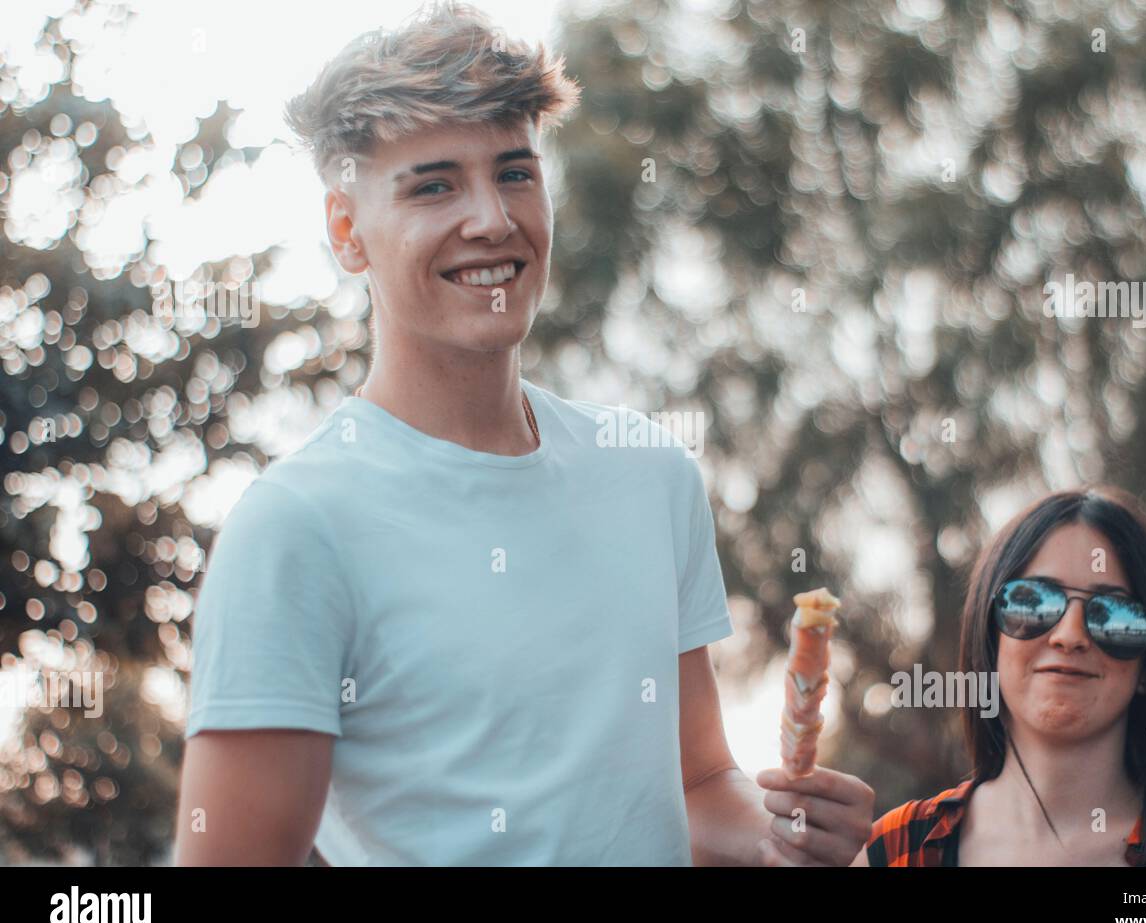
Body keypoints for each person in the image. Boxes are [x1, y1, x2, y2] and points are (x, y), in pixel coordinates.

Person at [174, 1, 872, 866]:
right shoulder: (295, 527)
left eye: (513, 173)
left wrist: (782, 834)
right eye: (434, 186)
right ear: (348, 233)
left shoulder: (649, 472)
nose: (493, 220)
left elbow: (694, 785)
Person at [848, 486, 1146, 867]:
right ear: (991, 642)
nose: (1070, 635)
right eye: (1032, 601)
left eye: (1114, 614)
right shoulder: (898, 850)